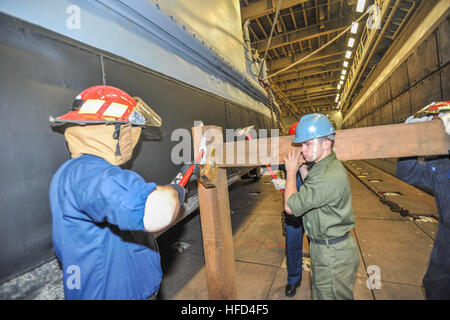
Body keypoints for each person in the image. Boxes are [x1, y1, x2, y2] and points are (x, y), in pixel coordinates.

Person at [49, 85, 194, 300]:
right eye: (131, 128)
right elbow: (156, 211)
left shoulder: (80, 173)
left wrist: (183, 178)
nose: (134, 138)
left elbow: (127, 212)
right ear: (114, 131)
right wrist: (175, 191)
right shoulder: (87, 172)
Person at [283, 113, 359, 300]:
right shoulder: (324, 165)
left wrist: (291, 173)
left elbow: (291, 207)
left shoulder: (328, 177)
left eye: (308, 144)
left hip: (331, 256)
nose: (302, 150)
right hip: (325, 249)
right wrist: (301, 167)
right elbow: (311, 184)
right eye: (302, 145)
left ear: (326, 144)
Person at [396, 101, 450, 299]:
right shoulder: (441, 164)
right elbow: (406, 173)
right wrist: (411, 138)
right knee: (435, 286)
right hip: (446, 248)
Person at [272, 121, 305, 297]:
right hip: (292, 206)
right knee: (292, 244)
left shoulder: (313, 157)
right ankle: (293, 280)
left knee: (319, 244)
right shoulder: (287, 157)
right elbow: (268, 166)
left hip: (311, 206)